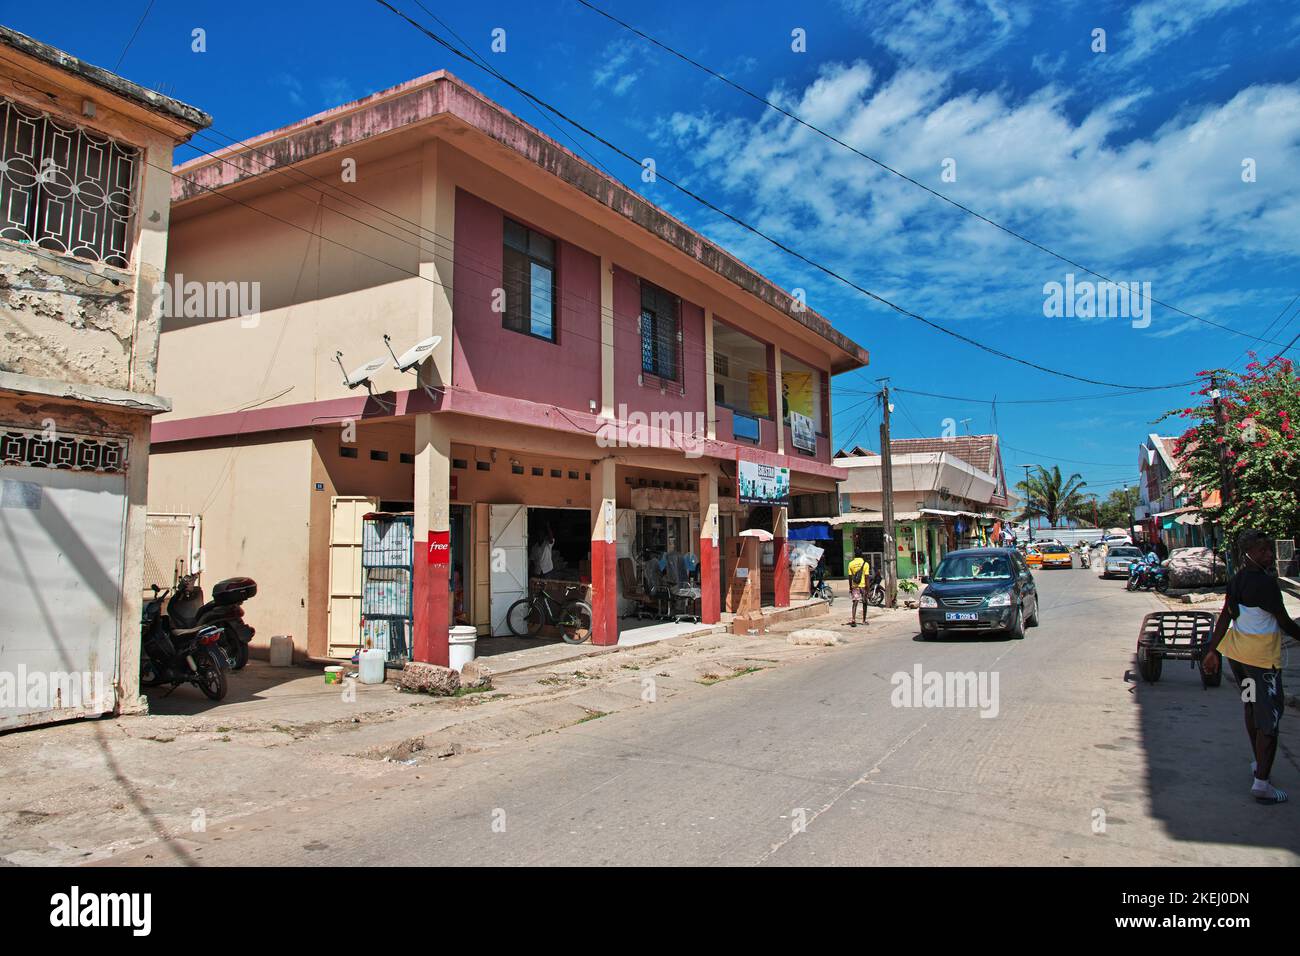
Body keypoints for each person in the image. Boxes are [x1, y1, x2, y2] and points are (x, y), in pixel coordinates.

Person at [1203, 529, 1300, 804]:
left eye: (1270, 550)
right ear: (1248, 555)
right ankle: (1262, 783)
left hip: (1239, 661)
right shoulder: (1266, 584)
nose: (1269, 555)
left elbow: (1225, 617)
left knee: (1250, 706)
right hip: (1261, 664)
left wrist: (1213, 650)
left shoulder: (1235, 581)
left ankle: (1259, 763)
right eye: (1263, 551)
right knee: (1269, 718)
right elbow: (1285, 622)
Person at [846, 553, 871, 627]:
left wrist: (850, 587)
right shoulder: (865, 564)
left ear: (855, 555)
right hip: (863, 586)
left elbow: (850, 577)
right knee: (864, 603)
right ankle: (864, 620)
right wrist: (868, 588)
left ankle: (853, 619)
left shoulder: (850, 564)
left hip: (855, 586)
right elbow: (867, 577)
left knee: (855, 603)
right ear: (861, 556)